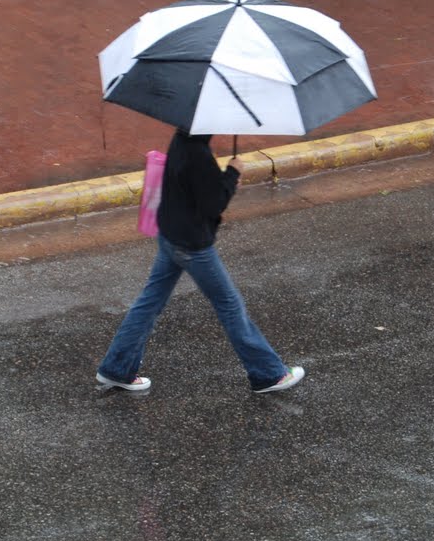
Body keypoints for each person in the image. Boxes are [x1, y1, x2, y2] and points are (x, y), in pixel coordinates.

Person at [95, 129, 304, 395]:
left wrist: (221, 179)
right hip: (192, 245)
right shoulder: (199, 153)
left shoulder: (182, 139)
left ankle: (117, 367)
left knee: (149, 303)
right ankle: (268, 373)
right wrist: (231, 174)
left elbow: (194, 189)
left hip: (169, 234)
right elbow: (212, 205)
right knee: (229, 304)